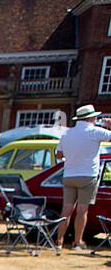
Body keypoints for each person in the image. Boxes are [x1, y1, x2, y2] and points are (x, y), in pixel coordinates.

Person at [53, 104, 111, 254]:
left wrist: (72, 155)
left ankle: (59, 241)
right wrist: (109, 125)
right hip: (88, 174)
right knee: (82, 211)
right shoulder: (95, 131)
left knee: (66, 210)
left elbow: (58, 154)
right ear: (91, 118)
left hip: (69, 174)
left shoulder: (67, 134)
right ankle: (77, 241)